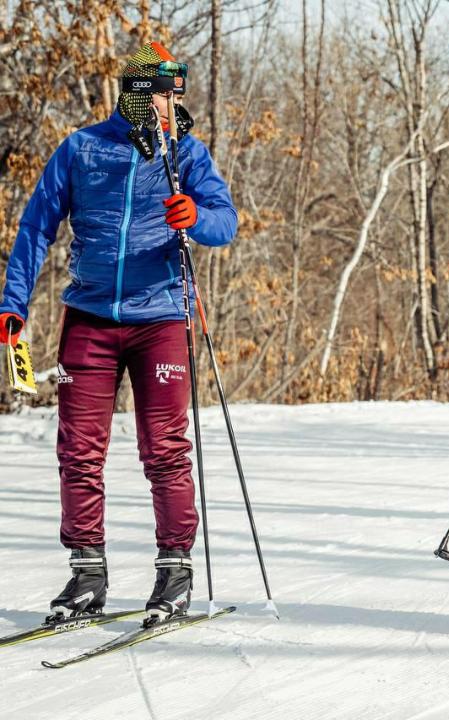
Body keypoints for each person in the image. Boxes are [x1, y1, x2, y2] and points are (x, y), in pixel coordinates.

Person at [0, 42, 237, 624]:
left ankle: (175, 572)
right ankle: (86, 576)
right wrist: (13, 305)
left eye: (173, 94)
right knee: (78, 451)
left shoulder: (186, 153)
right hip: (91, 319)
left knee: (165, 450)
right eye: (158, 92)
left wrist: (196, 219)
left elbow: (224, 221)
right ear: (134, 92)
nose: (168, 104)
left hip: (161, 319)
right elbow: (36, 226)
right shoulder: (83, 149)